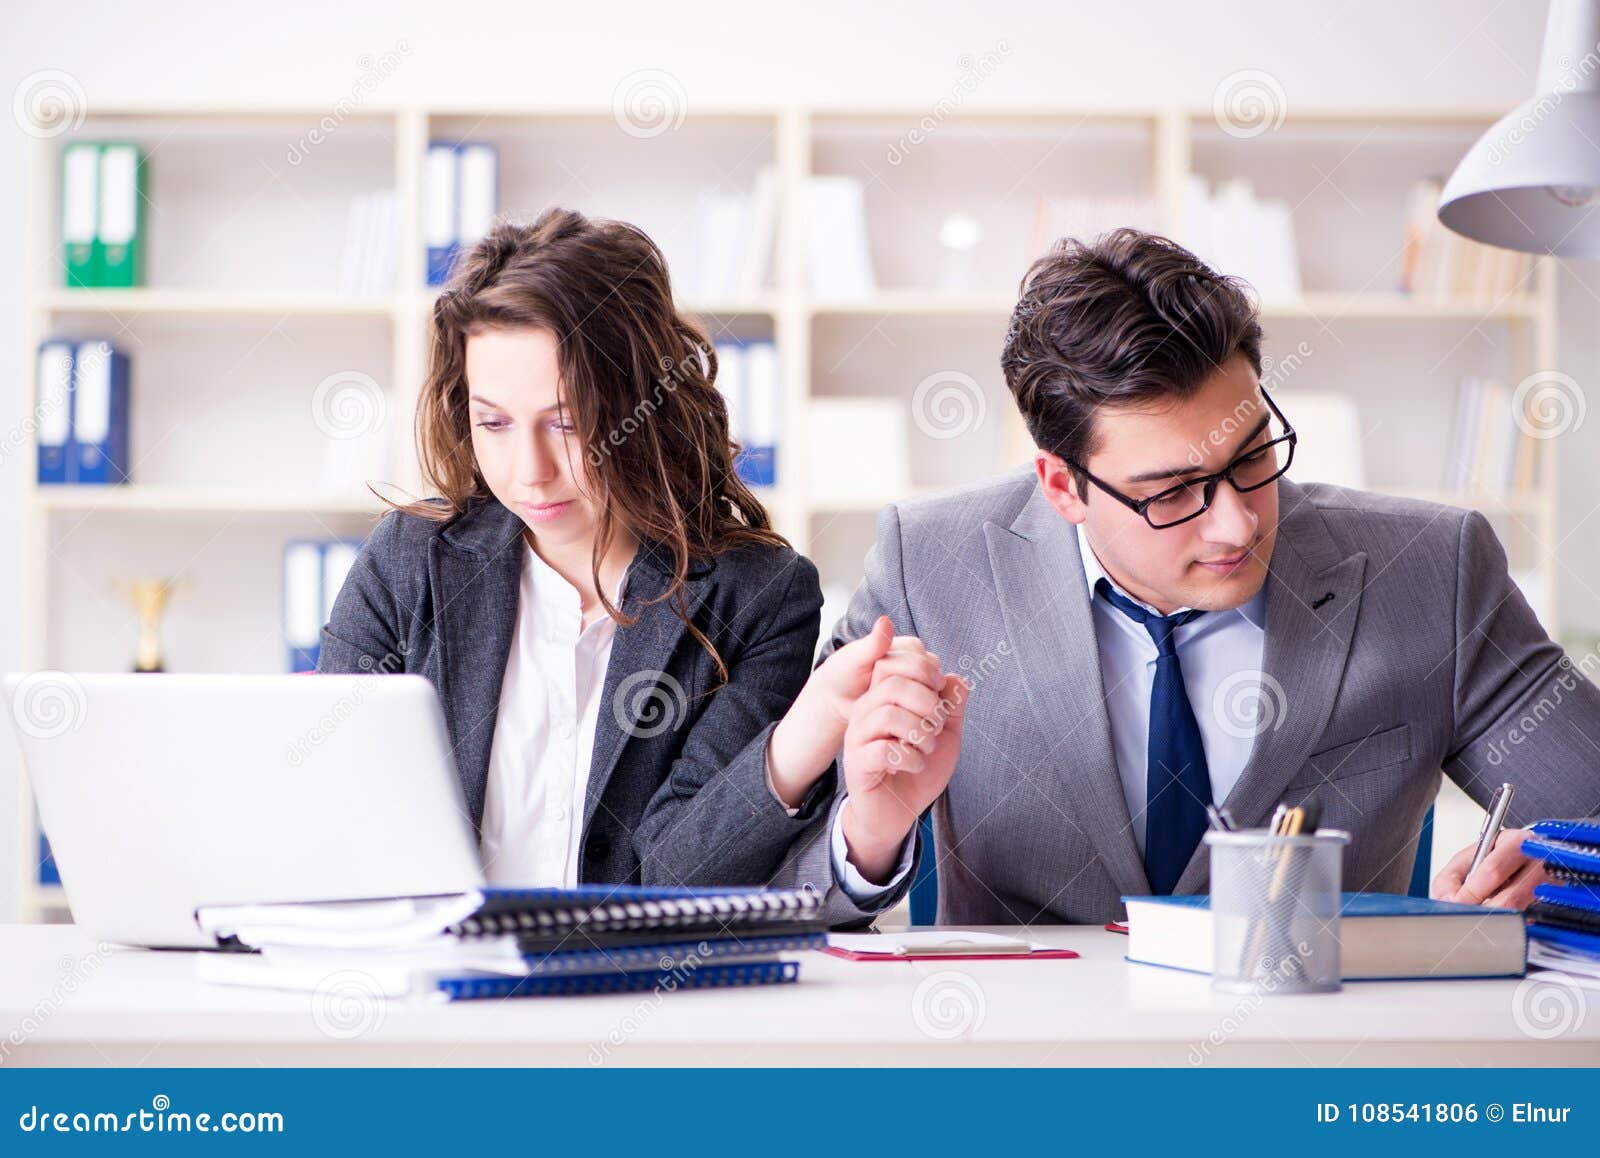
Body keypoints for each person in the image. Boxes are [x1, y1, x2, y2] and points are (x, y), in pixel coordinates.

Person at [781, 227, 1600, 926]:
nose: (1238, 522)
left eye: (1251, 460)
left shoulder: (1430, 569)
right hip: (1031, 1067)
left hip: (1312, 1063)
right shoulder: (931, 566)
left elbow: (1591, 813)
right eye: (1172, 492)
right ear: (1064, 486)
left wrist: (1555, 881)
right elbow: (774, 887)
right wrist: (872, 835)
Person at [319, 207, 906, 891]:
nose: (528, 469)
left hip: (636, 990)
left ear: (644, 406)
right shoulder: (408, 562)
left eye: (566, 423)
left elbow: (677, 874)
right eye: (494, 423)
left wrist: (803, 735)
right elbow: (334, 810)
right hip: (434, 983)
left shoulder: (759, 596)